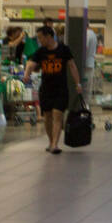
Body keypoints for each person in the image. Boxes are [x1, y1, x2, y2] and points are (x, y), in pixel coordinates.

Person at [24, 25, 82, 154]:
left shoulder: (63, 50)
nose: (39, 40)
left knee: (57, 115)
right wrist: (27, 74)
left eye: (40, 38)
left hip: (60, 89)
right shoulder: (41, 51)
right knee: (48, 117)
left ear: (48, 36)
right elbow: (31, 63)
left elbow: (72, 66)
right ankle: (51, 141)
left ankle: (55, 144)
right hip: (46, 89)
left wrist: (78, 83)